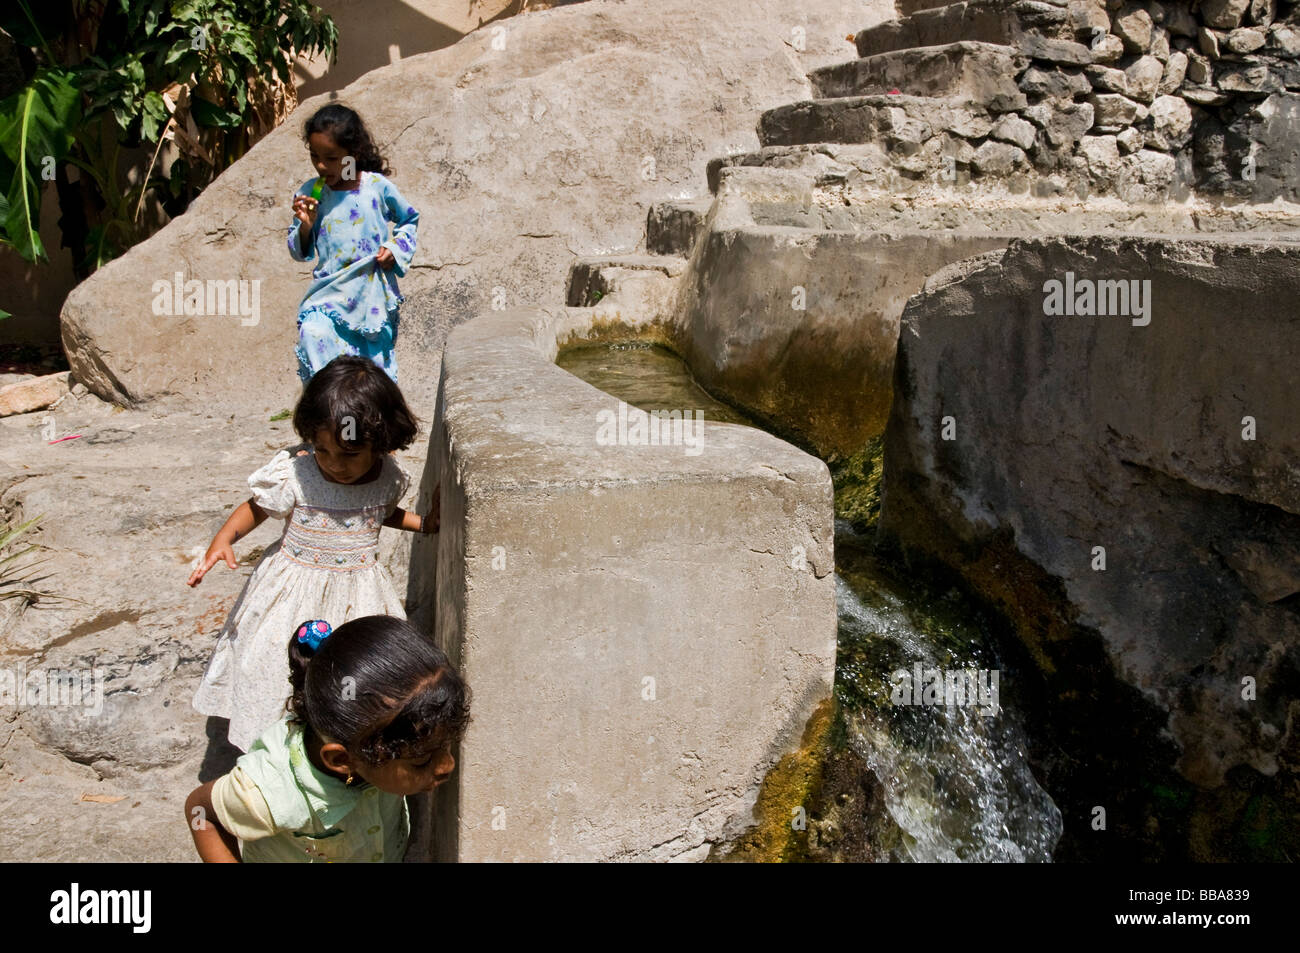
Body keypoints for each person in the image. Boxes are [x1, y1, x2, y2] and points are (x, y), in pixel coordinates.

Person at [189, 356, 440, 750]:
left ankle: (336, 744)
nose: (335, 465)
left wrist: (422, 524)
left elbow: (378, 512)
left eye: (349, 455)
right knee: (274, 665)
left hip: (358, 594)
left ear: (381, 441)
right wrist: (223, 540)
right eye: (323, 451)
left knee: (355, 672)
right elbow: (257, 507)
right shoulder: (298, 473)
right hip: (291, 590)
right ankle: (272, 747)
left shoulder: (388, 477)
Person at [185, 616, 470, 863]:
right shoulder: (269, 792)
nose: (447, 766)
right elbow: (200, 811)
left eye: (446, 747)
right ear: (341, 761)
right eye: (422, 761)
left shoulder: (374, 747)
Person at [289, 103, 419, 383]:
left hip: (369, 299)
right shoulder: (312, 192)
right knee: (313, 333)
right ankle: (330, 418)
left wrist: (395, 250)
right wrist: (306, 225)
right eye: (314, 156)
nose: (321, 166)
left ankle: (367, 424)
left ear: (353, 153)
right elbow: (300, 251)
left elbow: (409, 220)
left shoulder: (377, 187)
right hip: (327, 296)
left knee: (371, 375)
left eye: (331, 158)